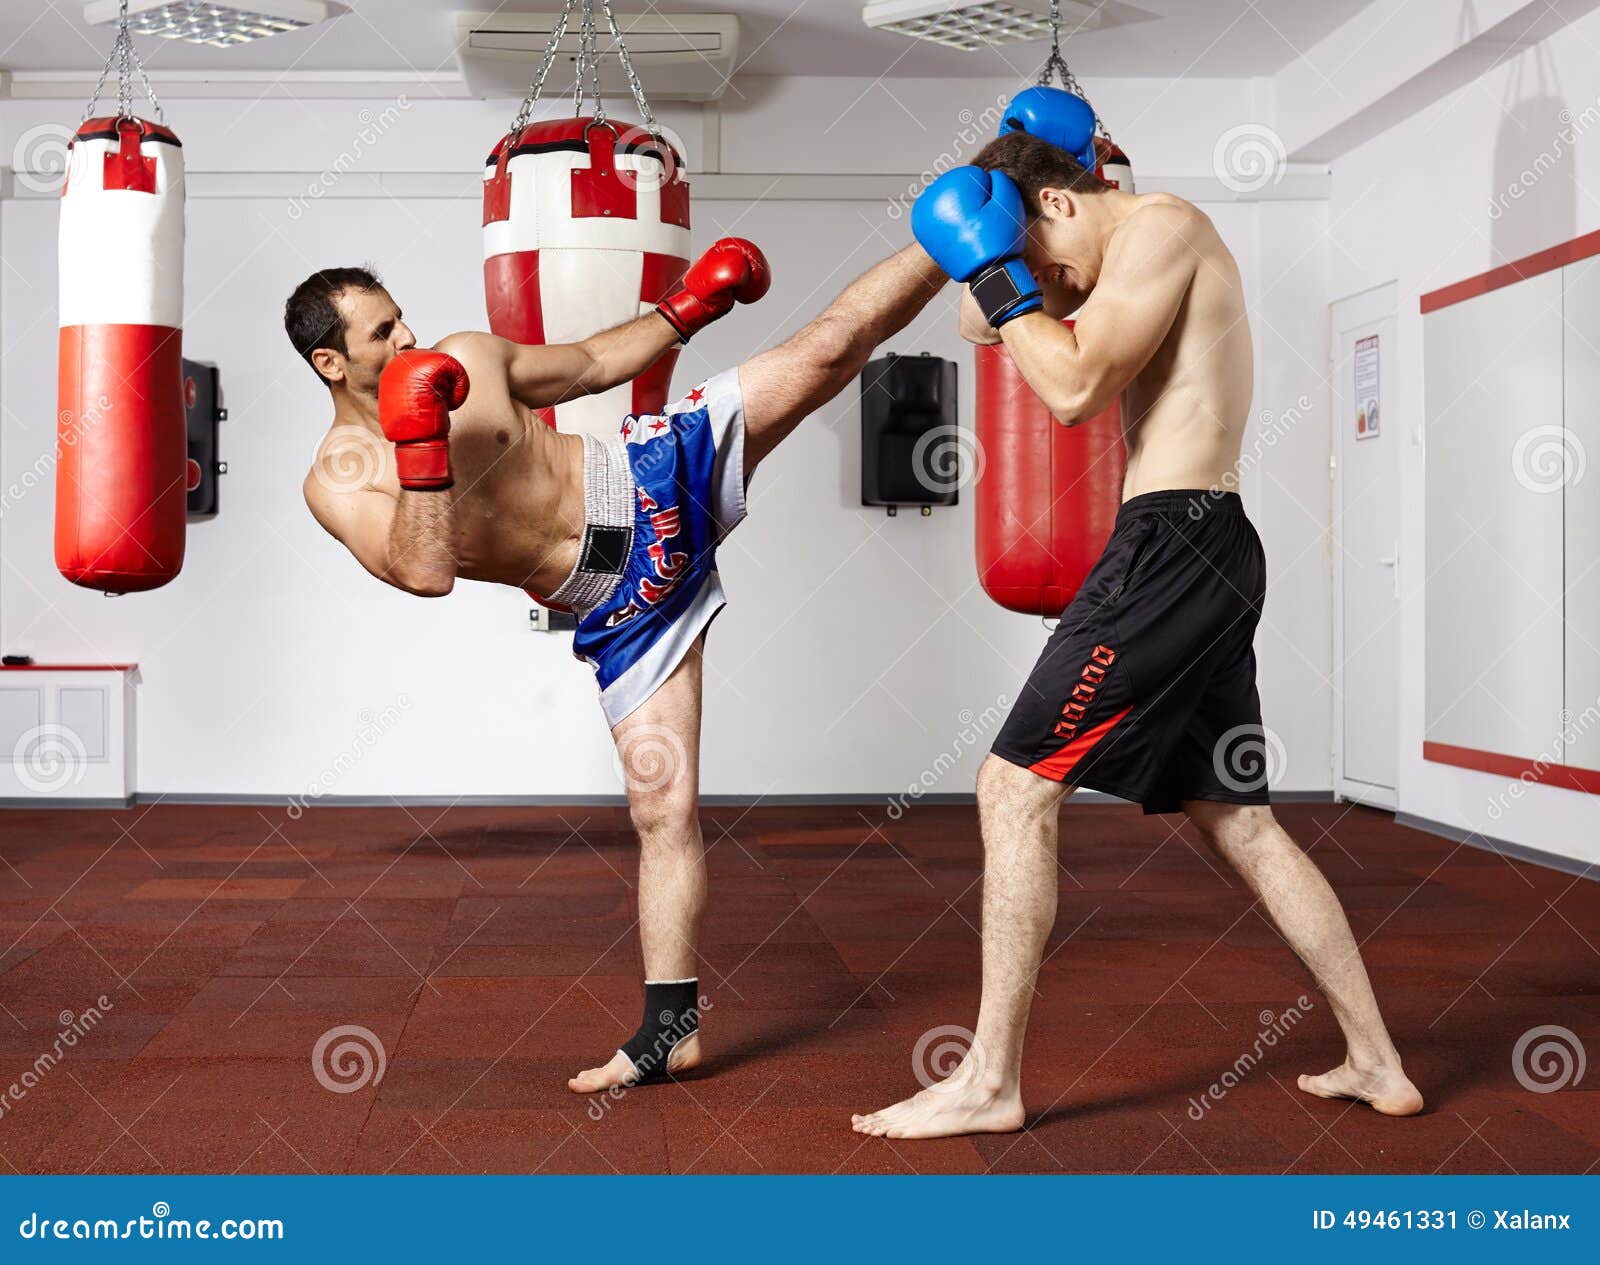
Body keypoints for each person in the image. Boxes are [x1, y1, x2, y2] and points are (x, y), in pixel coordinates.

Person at [854, 89, 1422, 1139]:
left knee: (1011, 786)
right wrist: (999, 248)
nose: (1050, 286)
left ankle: (989, 1078)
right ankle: (1376, 1057)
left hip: (1175, 544)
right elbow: (984, 320)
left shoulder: (1164, 228)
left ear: (1065, 207)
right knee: (1240, 819)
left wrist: (1005, 256)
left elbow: (1067, 391)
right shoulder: (1097, 254)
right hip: (1196, 545)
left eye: (1045, 253)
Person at [286, 238, 947, 1092]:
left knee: (826, 348)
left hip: (656, 475)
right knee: (662, 810)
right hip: (626, 603)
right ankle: (672, 1031)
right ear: (331, 362)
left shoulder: (469, 357)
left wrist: (690, 307)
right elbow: (423, 572)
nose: (409, 335)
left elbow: (594, 364)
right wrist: (421, 451)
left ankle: (962, 223)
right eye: (383, 333)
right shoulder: (339, 480)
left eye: (400, 313)